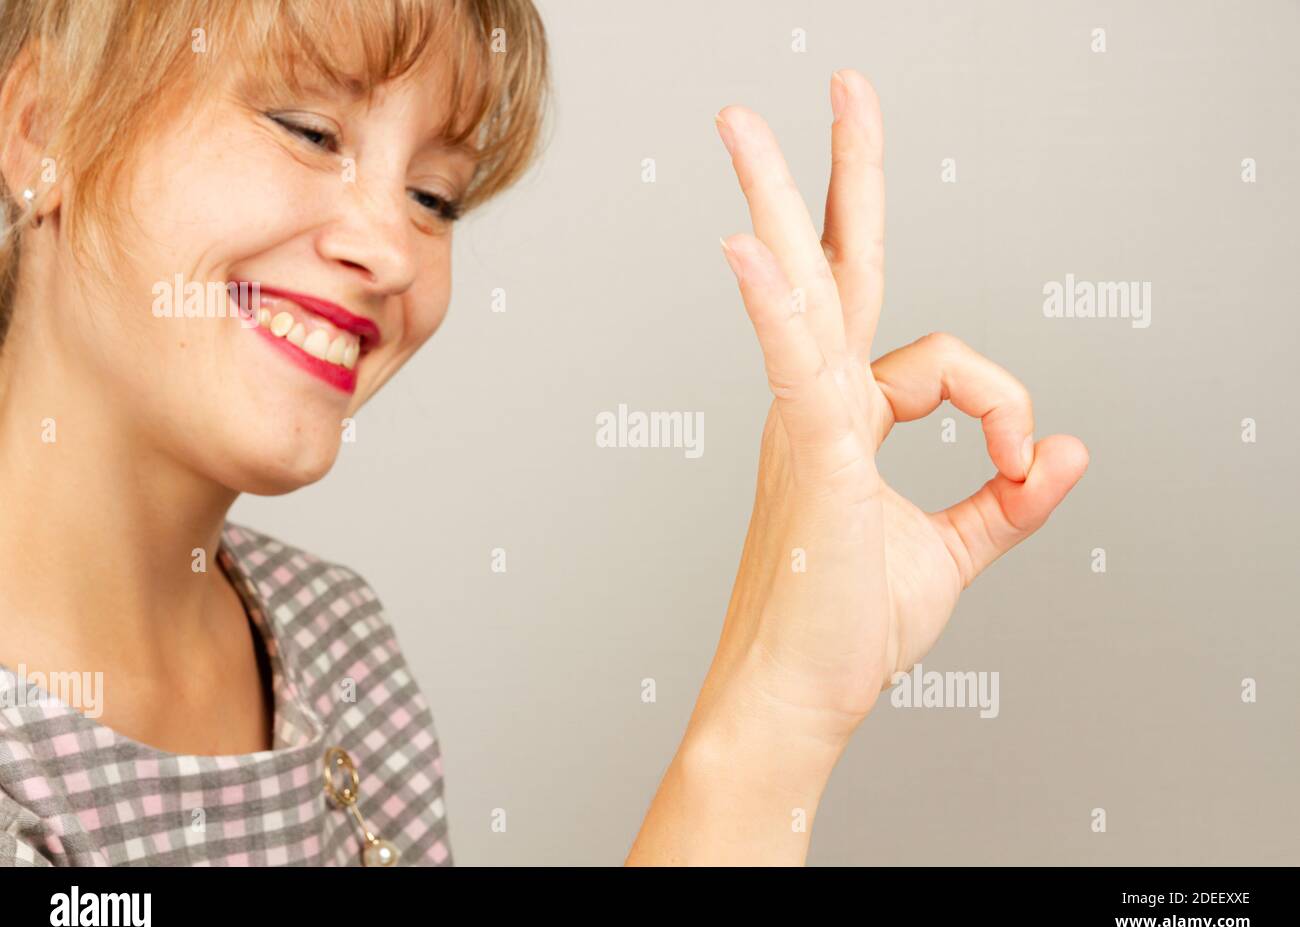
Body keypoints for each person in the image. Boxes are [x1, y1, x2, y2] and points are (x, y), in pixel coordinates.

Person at [0, 0, 1087, 866]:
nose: (388, 245)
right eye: (308, 130)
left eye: (435, 196)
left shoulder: (335, 649)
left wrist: (781, 697)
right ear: (41, 128)